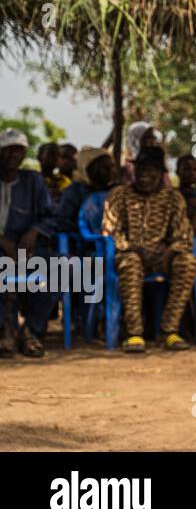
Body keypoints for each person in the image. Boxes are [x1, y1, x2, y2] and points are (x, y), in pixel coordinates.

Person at [101, 145, 196, 353]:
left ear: (161, 173)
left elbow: (183, 234)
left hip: (163, 256)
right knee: (131, 263)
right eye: (141, 169)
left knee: (187, 262)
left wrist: (169, 252)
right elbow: (111, 231)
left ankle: (169, 330)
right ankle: (135, 333)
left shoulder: (173, 198)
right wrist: (132, 249)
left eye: (150, 169)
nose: (144, 174)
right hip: (131, 255)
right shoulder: (120, 195)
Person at [0, 129, 59, 358]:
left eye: (19, 150)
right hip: (3, 250)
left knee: (57, 268)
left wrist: (34, 232)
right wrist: (3, 242)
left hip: (27, 249)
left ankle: (31, 330)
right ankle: (4, 329)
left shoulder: (33, 182)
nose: (13, 155)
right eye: (8, 150)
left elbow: (52, 217)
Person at [56, 147, 118, 237]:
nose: (110, 170)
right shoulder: (75, 191)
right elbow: (63, 223)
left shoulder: (117, 190)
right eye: (104, 167)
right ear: (87, 169)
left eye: (112, 166)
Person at [120, 121, 161, 186]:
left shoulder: (158, 164)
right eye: (148, 138)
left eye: (153, 138)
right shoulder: (128, 168)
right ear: (136, 139)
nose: (152, 142)